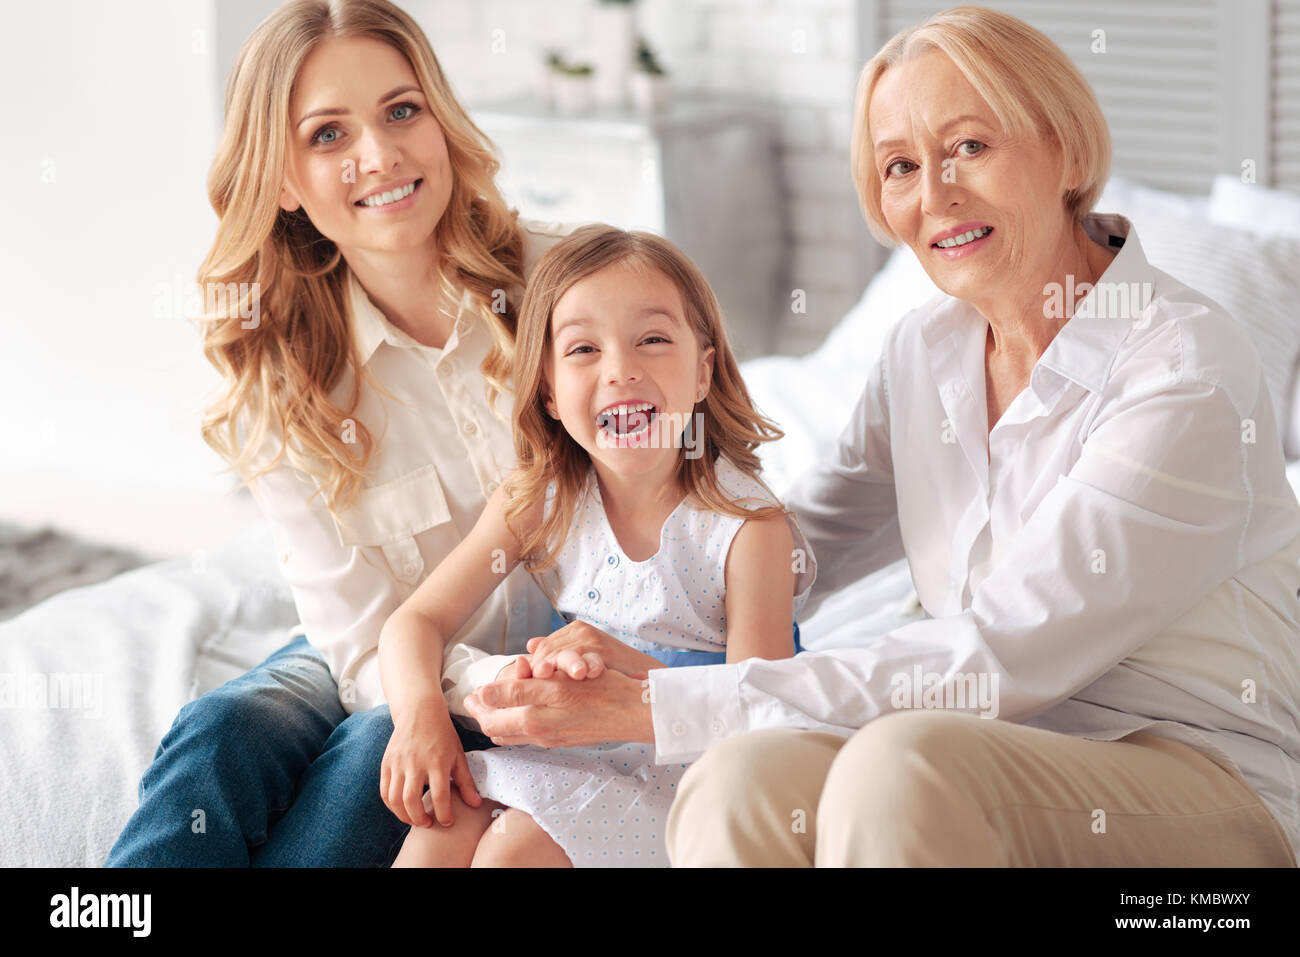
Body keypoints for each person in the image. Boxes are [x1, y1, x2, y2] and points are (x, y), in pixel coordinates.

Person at [462, 5, 1300, 867]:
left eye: (970, 146)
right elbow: (792, 548)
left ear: (1065, 151)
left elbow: (1005, 649)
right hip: (976, 747)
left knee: (897, 764)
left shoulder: (1182, 366)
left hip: (1198, 779)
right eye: (902, 166)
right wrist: (640, 647)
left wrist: (656, 703)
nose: (935, 196)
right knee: (738, 775)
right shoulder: (924, 351)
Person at [105, 0, 576, 867]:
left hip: (547, 671)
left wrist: (467, 697)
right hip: (376, 653)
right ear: (281, 179)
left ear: (440, 120)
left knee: (371, 755)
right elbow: (363, 650)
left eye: (402, 110)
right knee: (223, 728)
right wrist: (448, 689)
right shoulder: (282, 377)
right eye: (328, 135)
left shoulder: (564, 285)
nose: (380, 155)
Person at [378, 225, 816, 867]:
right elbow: (415, 620)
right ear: (550, 391)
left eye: (653, 340)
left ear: (702, 372)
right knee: (439, 833)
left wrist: (624, 666)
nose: (621, 370)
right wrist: (419, 717)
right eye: (584, 349)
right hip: (572, 746)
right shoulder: (542, 500)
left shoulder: (747, 528)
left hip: (686, 772)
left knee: (509, 853)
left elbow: (758, 722)